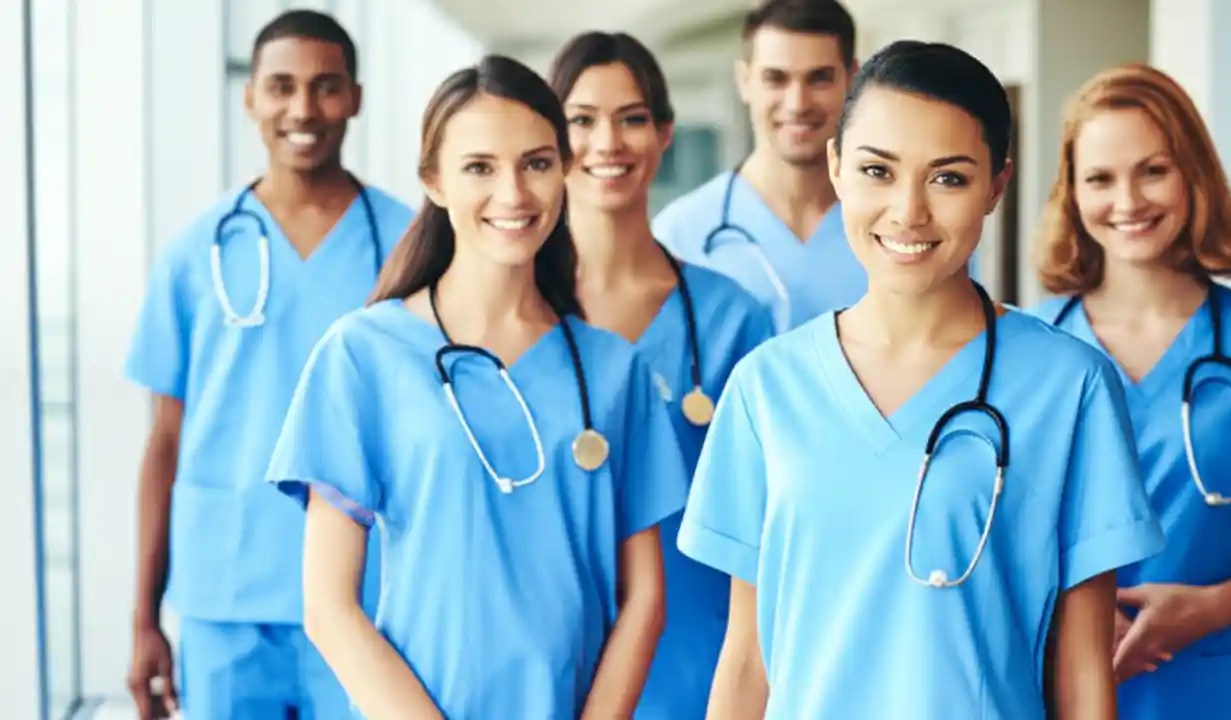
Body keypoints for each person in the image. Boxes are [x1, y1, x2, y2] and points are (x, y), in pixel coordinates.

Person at [677, 40, 1168, 719]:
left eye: (949, 178)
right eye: (878, 171)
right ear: (836, 168)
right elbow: (747, 660)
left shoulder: (1069, 386)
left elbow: (1084, 666)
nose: (909, 211)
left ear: (998, 184)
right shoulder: (767, 389)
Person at [264, 54, 689, 719]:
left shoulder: (612, 370)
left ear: (565, 171)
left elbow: (645, 601)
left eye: (537, 163)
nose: (514, 194)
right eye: (479, 168)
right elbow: (329, 607)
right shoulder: (366, 354)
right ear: (433, 180)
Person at [123, 10, 413, 719]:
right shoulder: (198, 252)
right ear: (250, 97)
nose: (303, 109)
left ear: (357, 97)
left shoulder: (409, 246)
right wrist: (142, 619)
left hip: (367, 598)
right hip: (225, 598)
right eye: (281, 87)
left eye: (326, 87)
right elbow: (165, 442)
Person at [1028, 63, 1231, 719]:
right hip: (1064, 684)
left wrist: (1208, 609)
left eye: (1152, 170)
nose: (1128, 200)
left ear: (1192, 172)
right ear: (1072, 192)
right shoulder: (1027, 353)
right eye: (1100, 178)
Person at [547, 31, 776, 719]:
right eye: (580, 120)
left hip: (699, 656)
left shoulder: (732, 318)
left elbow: (771, 516)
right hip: (554, 647)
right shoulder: (514, 317)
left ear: (665, 132)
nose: (607, 142)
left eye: (632, 118)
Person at [651, 0, 865, 332]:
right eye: (776, 79)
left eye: (819, 79)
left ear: (852, 79)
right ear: (744, 81)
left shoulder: (896, 226)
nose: (798, 104)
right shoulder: (680, 236)